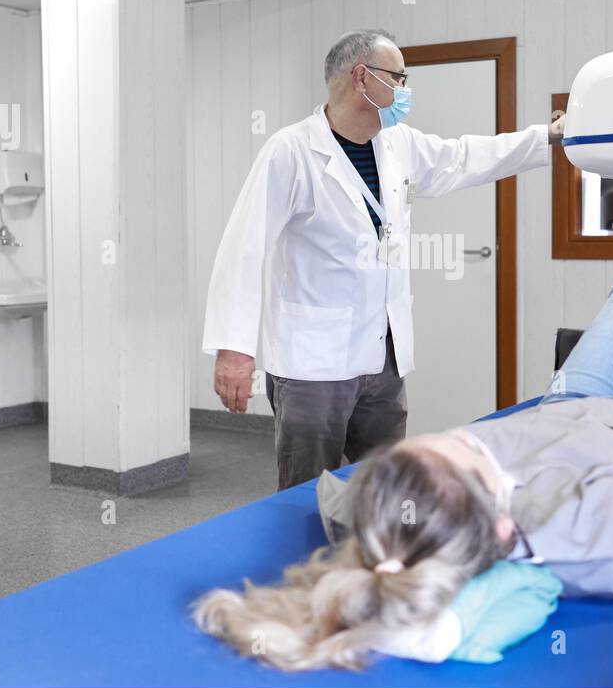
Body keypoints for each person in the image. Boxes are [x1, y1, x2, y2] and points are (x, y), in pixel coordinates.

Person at [194, 273, 613, 670]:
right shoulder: (594, 534)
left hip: (569, 403)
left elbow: (338, 501)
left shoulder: (382, 510)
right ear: (497, 527)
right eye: (468, 451)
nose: (463, 438)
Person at [202, 28, 561, 491]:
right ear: (362, 77)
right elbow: (244, 247)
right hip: (314, 362)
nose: (407, 90)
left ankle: (379, 561)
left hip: (383, 357)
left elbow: (465, 158)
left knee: (388, 487)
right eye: (400, 77)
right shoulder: (291, 151)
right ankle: (313, 565)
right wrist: (234, 350)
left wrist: (545, 138)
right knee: (307, 489)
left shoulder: (399, 145)